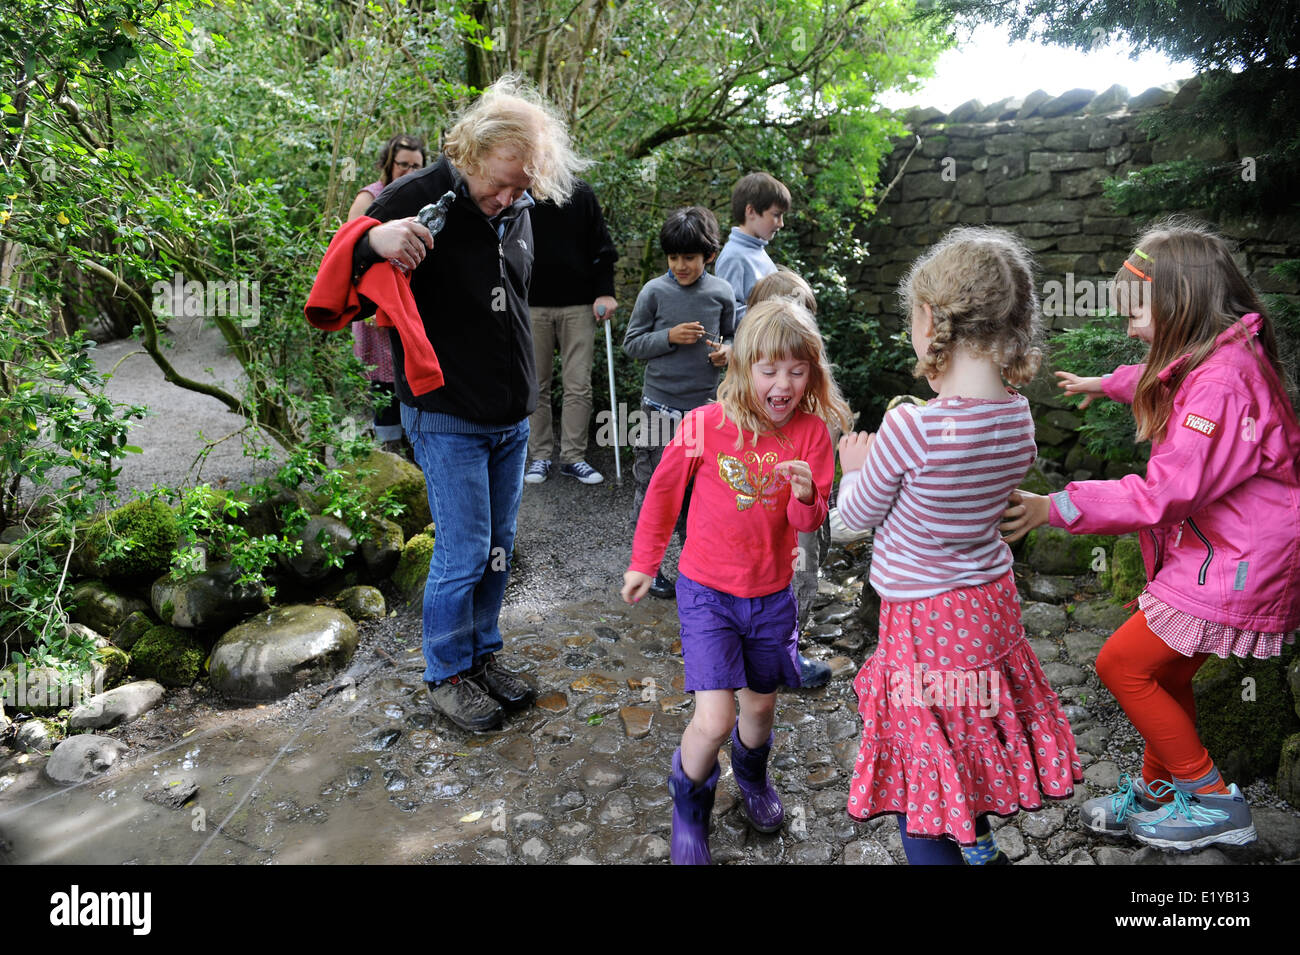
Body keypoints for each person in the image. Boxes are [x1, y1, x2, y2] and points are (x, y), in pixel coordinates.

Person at [1001, 221, 1300, 851]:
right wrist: (1101, 383)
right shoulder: (1214, 359)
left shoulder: (1220, 382)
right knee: (1166, 676)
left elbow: (1163, 492)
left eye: (1138, 315)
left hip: (1236, 562)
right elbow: (1158, 377)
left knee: (1121, 664)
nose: (1132, 329)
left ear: (1179, 304)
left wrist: (1056, 506)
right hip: (1225, 552)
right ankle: (1164, 791)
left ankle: (1214, 800)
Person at [337, 75, 587, 733]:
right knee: (464, 547)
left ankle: (482, 655)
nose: (510, 199)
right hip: (445, 409)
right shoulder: (419, 192)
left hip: (508, 412)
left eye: (523, 188)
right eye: (500, 183)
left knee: (499, 544)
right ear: (470, 150)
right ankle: (447, 674)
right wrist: (376, 241)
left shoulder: (516, 200)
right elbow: (343, 254)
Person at [837, 226, 1082, 865]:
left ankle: (948, 852)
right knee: (971, 730)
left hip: (924, 619)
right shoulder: (1018, 416)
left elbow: (852, 520)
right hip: (989, 611)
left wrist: (854, 466)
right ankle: (980, 847)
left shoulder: (910, 427)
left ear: (928, 321)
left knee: (924, 759)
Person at [621, 299, 853, 864]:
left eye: (797, 371)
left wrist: (805, 496)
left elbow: (809, 523)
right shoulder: (704, 426)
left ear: (812, 374)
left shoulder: (812, 436)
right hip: (706, 593)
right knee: (716, 716)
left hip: (772, 597)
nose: (783, 384)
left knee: (758, 711)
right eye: (769, 370)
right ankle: (689, 810)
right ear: (743, 366)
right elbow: (663, 495)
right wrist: (644, 562)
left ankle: (752, 781)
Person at [622, 207, 734, 599]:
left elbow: (736, 339)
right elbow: (632, 344)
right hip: (659, 409)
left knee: (700, 491)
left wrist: (728, 354)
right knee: (652, 484)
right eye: (673, 258)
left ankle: (694, 565)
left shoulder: (721, 293)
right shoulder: (654, 292)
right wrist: (669, 336)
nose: (680, 266)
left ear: (709, 256)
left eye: (689, 257)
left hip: (705, 413)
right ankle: (645, 567)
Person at [745, 268, 844, 689]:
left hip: (805, 500)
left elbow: (833, 419)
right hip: (769, 505)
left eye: (805, 312)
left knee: (804, 567)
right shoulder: (755, 374)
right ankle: (780, 656)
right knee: (787, 573)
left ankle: (782, 646)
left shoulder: (808, 371)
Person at [523, 180, 619, 486]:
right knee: (536, 385)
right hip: (532, 305)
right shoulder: (519, 190)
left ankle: (573, 458)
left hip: (579, 305)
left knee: (578, 384)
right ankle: (540, 457)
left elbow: (602, 248)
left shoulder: (582, 193)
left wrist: (605, 292)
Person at [345, 134, 426, 454]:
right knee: (383, 377)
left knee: (412, 370)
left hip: (414, 301)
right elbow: (347, 251)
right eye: (402, 164)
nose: (408, 171)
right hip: (377, 301)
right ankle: (389, 447)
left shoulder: (426, 196)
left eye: (416, 166)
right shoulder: (370, 197)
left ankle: (415, 442)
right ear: (388, 164)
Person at [714, 171, 791, 325]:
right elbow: (729, 314)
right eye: (776, 215)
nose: (781, 223)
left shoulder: (758, 251)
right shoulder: (733, 257)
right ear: (751, 212)